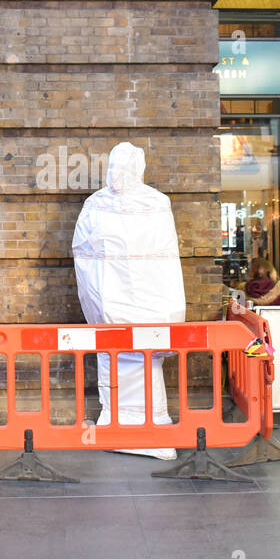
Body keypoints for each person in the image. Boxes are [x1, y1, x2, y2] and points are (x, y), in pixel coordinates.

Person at [73, 142, 185, 461]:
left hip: (149, 307)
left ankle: (151, 428)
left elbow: (165, 259)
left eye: (123, 169)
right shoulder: (96, 203)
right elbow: (83, 251)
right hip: (112, 305)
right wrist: (99, 299)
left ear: (138, 170)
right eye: (112, 169)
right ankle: (117, 425)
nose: (117, 176)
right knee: (114, 361)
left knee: (145, 362)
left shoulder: (156, 203)